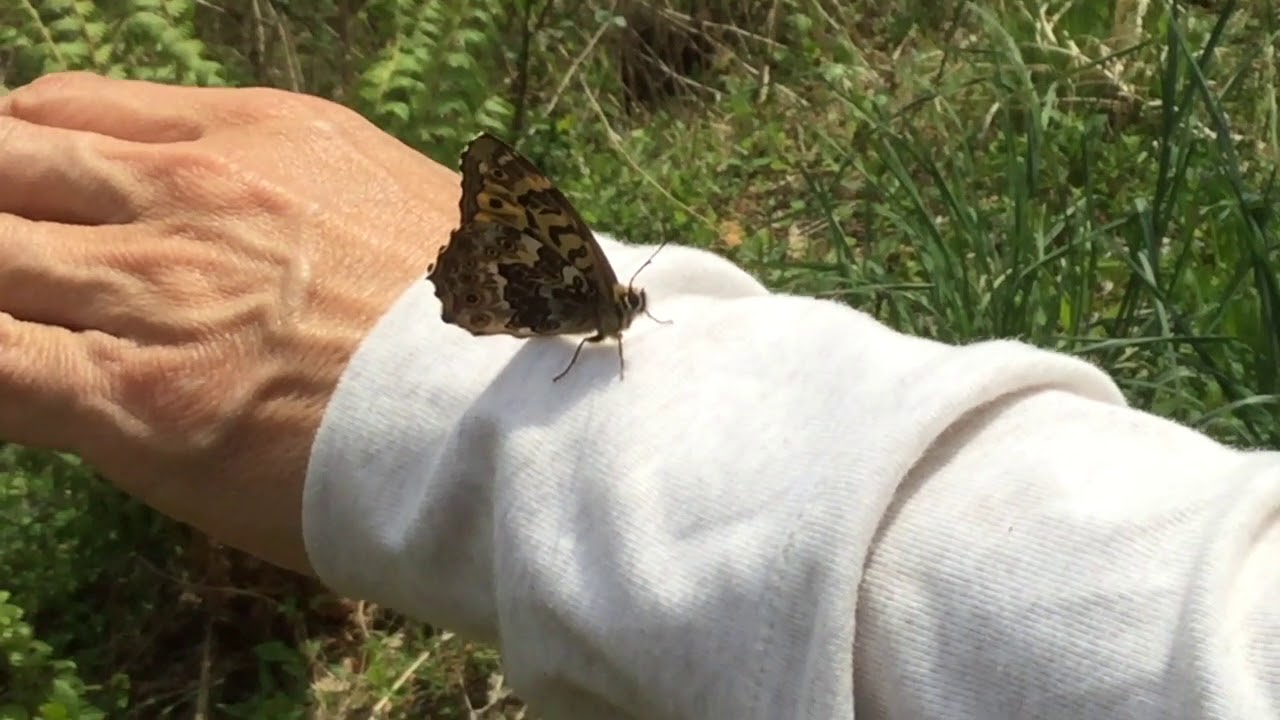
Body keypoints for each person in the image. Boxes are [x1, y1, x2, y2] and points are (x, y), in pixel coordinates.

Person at [0, 71, 1274, 719]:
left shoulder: (609, 318)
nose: (633, 314)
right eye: (629, 305)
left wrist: (444, 418)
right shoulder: (581, 307)